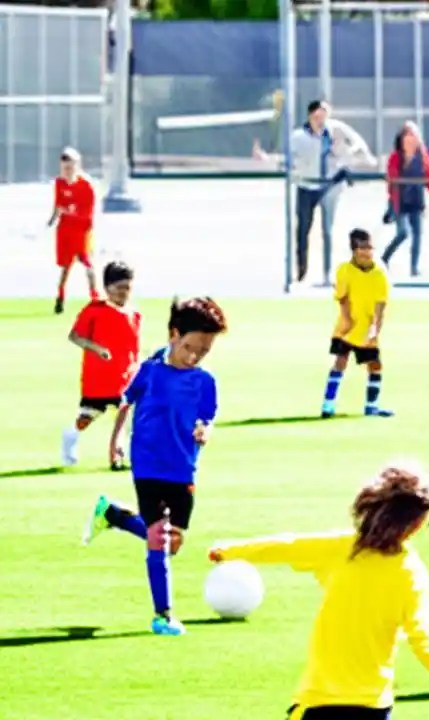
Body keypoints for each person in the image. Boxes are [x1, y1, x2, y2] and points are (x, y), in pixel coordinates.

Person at [208, 463, 429, 719]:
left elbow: (284, 546)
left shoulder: (340, 548)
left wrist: (229, 551)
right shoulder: (412, 576)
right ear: (418, 525)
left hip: (318, 704)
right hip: (372, 708)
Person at [81, 297, 228, 637]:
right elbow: (125, 404)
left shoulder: (205, 381)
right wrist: (115, 441)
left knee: (170, 543)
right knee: (158, 538)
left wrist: (205, 429)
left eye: (203, 351)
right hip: (147, 465)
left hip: (183, 468)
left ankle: (113, 515)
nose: (194, 356)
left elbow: (209, 415)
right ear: (174, 334)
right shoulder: (149, 371)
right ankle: (162, 616)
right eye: (190, 346)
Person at [62, 261, 141, 470]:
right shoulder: (94, 310)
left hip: (124, 378)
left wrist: (138, 368)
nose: (124, 293)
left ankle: (118, 457)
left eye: (128, 288)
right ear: (107, 288)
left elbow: (134, 346)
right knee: (88, 416)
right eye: (119, 288)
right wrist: (98, 349)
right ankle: (71, 435)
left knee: (127, 414)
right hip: (98, 377)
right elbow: (75, 336)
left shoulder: (134, 314)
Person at [290, 99, 374, 284]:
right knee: (303, 229)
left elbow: (359, 143)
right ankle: (301, 270)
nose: (321, 120)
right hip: (307, 185)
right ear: (310, 116)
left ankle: (327, 273)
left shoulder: (336, 130)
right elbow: (288, 160)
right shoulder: (298, 137)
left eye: (325, 115)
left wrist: (348, 156)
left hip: (330, 185)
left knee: (327, 230)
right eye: (317, 116)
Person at [322, 229, 393, 419]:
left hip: (366, 328)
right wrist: (346, 320)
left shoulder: (379, 272)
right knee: (340, 361)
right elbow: (342, 298)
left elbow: (381, 304)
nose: (368, 252)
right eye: (364, 248)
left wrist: (375, 329)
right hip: (347, 326)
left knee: (375, 365)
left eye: (370, 247)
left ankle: (371, 406)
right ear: (355, 250)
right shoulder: (344, 270)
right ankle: (328, 405)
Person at [382, 121, 429, 277]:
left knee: (417, 234)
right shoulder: (395, 157)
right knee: (403, 233)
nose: (410, 139)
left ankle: (414, 267)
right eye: (407, 135)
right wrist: (391, 200)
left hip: (416, 200)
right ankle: (384, 258)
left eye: (413, 136)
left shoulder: (422, 156)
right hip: (400, 200)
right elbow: (391, 179)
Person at [52, 147, 98, 314]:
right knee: (65, 266)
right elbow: (57, 204)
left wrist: (72, 210)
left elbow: (88, 212)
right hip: (65, 231)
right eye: (64, 168)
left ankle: (95, 298)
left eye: (70, 167)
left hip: (82, 231)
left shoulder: (86, 185)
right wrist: (52, 219)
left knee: (88, 265)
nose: (67, 171)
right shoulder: (59, 183)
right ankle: (60, 298)